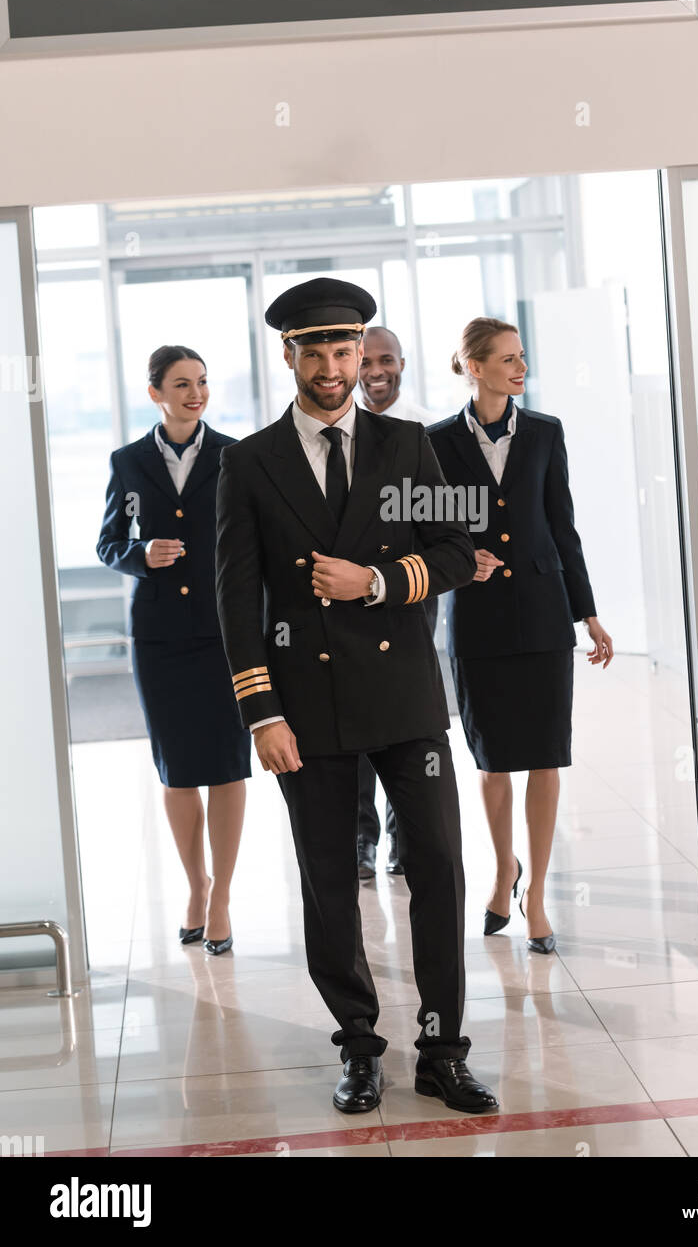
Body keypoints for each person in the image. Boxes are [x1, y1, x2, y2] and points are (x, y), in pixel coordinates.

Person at [214, 277, 499, 1116]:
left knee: (440, 870)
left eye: (346, 351)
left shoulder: (407, 445)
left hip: (406, 697)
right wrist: (260, 712)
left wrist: (374, 580)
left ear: (360, 354)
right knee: (331, 880)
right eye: (317, 353)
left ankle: (442, 1048)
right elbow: (235, 596)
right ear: (290, 356)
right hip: (306, 707)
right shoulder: (248, 461)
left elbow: (453, 549)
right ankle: (360, 1045)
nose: (334, 367)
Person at [427, 317, 614, 955]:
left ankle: (536, 897)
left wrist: (586, 611)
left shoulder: (544, 432)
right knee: (494, 761)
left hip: (542, 612)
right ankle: (503, 870)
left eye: (522, 357)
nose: (519, 368)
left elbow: (563, 525)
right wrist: (461, 559)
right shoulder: (435, 443)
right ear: (474, 366)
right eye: (506, 358)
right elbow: (427, 530)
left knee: (545, 756)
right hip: (477, 620)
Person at [96, 346, 249, 956]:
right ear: (156, 392)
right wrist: (140, 555)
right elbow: (109, 542)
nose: (196, 393)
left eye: (203, 382)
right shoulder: (128, 461)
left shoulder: (236, 456)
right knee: (177, 766)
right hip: (159, 636)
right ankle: (195, 886)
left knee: (229, 763)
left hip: (225, 632)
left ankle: (223, 898)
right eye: (182, 384)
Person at [355, 324, 437, 879]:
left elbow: (444, 522)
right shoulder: (335, 429)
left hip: (410, 589)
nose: (375, 371)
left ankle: (403, 839)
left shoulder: (424, 428)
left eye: (385, 360)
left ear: (402, 363)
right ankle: (360, 839)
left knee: (407, 717)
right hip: (349, 592)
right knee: (354, 720)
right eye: (364, 361)